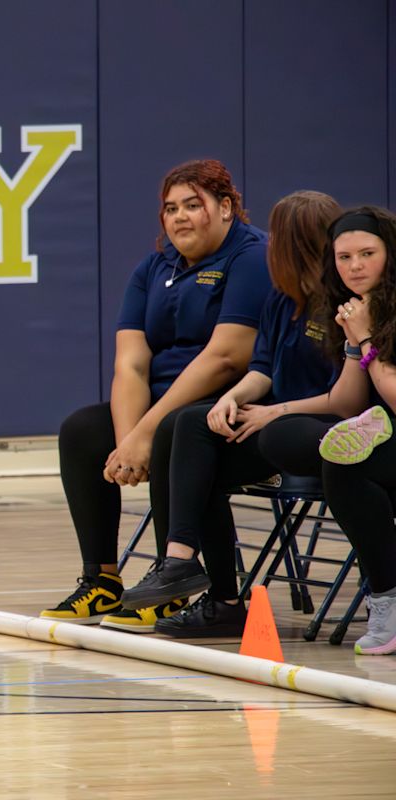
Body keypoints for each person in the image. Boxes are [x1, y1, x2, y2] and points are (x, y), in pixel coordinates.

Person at [42, 159, 270, 632]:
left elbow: (226, 357)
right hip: (160, 407)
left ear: (226, 208)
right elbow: (131, 362)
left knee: (172, 430)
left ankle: (172, 585)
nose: (179, 217)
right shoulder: (155, 266)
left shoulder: (251, 257)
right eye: (170, 208)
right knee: (83, 430)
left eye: (193, 205)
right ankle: (102, 579)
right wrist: (129, 441)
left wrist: (146, 432)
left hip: (229, 407)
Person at [119, 191, 342, 637]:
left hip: (323, 428)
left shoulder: (344, 308)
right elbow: (261, 368)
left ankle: (198, 579)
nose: (270, 246)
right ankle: (198, 579)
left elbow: (347, 397)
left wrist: (274, 411)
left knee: (203, 447)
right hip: (275, 423)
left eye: (281, 238)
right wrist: (233, 399)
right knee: (188, 427)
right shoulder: (282, 300)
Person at [259, 206, 396, 655]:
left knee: (344, 466)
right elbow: (347, 401)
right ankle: (344, 440)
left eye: (367, 254)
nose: (355, 266)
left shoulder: (379, 312)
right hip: (374, 429)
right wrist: (277, 410)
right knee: (279, 436)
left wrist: (369, 338)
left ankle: (388, 601)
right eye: (344, 257)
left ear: (390, 254)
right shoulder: (355, 308)